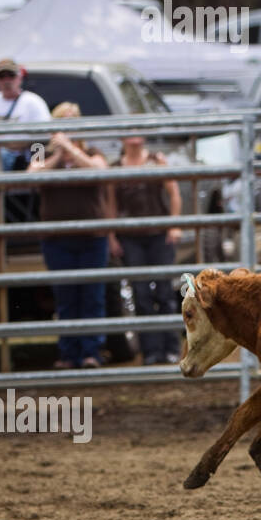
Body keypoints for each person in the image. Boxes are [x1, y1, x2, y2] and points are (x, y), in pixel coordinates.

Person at [28, 103, 111, 369]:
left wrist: (72, 150)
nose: (68, 125)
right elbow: (32, 176)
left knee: (92, 296)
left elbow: (100, 171)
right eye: (62, 120)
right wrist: (58, 153)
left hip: (92, 236)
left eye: (73, 120)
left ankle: (91, 353)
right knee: (65, 297)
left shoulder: (91, 150)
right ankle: (68, 353)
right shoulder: (41, 149)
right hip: (56, 237)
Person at [110, 135, 183, 365]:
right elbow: (111, 203)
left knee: (164, 292)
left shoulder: (156, 161)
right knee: (141, 294)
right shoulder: (115, 167)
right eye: (129, 134)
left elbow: (174, 193)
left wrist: (174, 224)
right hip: (130, 236)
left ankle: (171, 348)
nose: (134, 139)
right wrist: (111, 235)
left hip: (159, 234)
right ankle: (150, 351)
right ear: (122, 139)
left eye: (138, 133)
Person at [0, 58, 52, 216]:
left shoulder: (33, 102)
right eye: (2, 76)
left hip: (22, 159)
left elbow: (43, 139)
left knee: (1, 155)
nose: (6, 80)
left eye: (10, 75)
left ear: (19, 77)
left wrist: (38, 163)